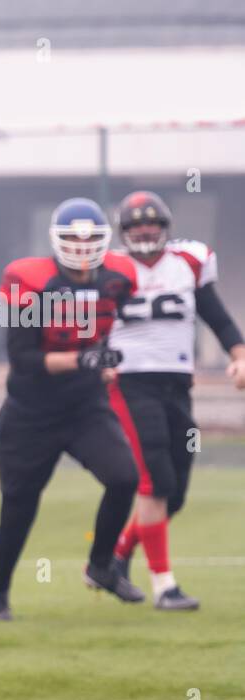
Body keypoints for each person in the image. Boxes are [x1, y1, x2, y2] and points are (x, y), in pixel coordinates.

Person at [0, 197, 142, 621]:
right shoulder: (27, 280)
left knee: (125, 477)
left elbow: (107, 331)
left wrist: (103, 363)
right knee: (19, 507)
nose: (81, 246)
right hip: (30, 412)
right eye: (72, 238)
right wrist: (83, 360)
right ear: (55, 241)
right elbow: (23, 360)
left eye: (90, 238)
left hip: (84, 407)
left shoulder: (118, 278)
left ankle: (101, 564)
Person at [107, 190, 245, 609]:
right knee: (155, 482)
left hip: (176, 383)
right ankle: (164, 587)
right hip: (129, 382)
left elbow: (214, 313)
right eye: (136, 225)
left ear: (165, 228)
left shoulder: (188, 262)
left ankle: (112, 557)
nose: (145, 231)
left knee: (176, 491)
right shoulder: (109, 268)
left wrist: (239, 354)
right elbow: (88, 321)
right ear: (123, 231)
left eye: (152, 224)